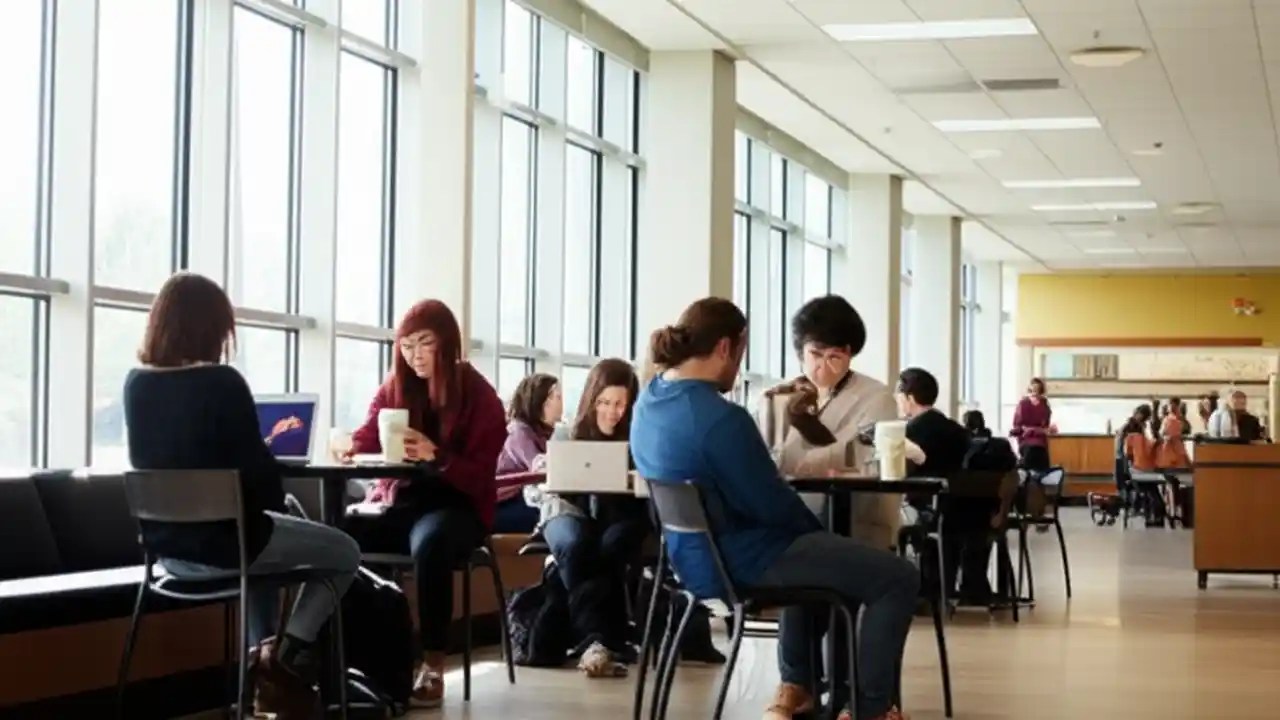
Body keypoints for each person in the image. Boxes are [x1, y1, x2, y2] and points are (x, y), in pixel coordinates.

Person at [631, 297, 917, 720]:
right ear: (727, 347)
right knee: (898, 577)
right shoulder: (721, 418)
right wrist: (813, 535)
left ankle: (801, 685)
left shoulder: (648, 402)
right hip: (745, 558)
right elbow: (773, 504)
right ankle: (869, 709)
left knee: (820, 555)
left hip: (689, 561)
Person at [124, 272, 360, 718]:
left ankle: (262, 659)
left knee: (259, 540)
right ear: (212, 328)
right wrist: (268, 462)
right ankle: (282, 658)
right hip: (228, 546)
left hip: (166, 554)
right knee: (345, 551)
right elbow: (264, 488)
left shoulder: (135, 384)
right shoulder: (223, 383)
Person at [341, 299, 507, 708]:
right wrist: (345, 444)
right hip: (403, 501)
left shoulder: (478, 395)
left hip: (458, 506)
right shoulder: (394, 388)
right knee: (340, 536)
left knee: (431, 543)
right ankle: (366, 661)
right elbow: (365, 438)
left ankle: (433, 663)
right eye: (407, 344)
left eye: (424, 343)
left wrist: (438, 457)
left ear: (447, 344)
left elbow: (484, 475)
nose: (414, 354)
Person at [755, 295, 900, 550]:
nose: (824, 366)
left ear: (850, 353)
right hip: (789, 522)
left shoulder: (876, 397)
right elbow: (762, 454)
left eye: (835, 357)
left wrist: (794, 460)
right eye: (816, 354)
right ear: (801, 351)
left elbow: (863, 459)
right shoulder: (778, 397)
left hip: (856, 523)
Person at [493, 373, 562, 533]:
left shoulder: (541, 433)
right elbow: (539, 466)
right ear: (543, 402)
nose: (562, 403)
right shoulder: (519, 432)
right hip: (504, 504)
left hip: (519, 498)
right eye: (558, 397)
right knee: (555, 516)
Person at [896, 368, 970, 480]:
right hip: (953, 493)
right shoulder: (956, 429)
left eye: (898, 396)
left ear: (910, 399)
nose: (895, 399)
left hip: (920, 493)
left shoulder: (910, 432)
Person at [1011, 378, 1053, 471]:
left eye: (1037, 389)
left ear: (1041, 390)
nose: (1034, 392)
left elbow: (1045, 426)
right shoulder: (1023, 404)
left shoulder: (1044, 405)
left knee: (1040, 456)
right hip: (1026, 440)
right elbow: (1018, 426)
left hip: (1040, 442)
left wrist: (1041, 430)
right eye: (1032, 389)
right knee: (1031, 453)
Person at [1156, 397, 1191, 469]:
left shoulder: (1180, 418)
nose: (1172, 406)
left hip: (1177, 447)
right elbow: (1162, 433)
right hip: (1168, 447)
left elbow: (1187, 431)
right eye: (1171, 404)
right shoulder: (1166, 418)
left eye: (1174, 404)